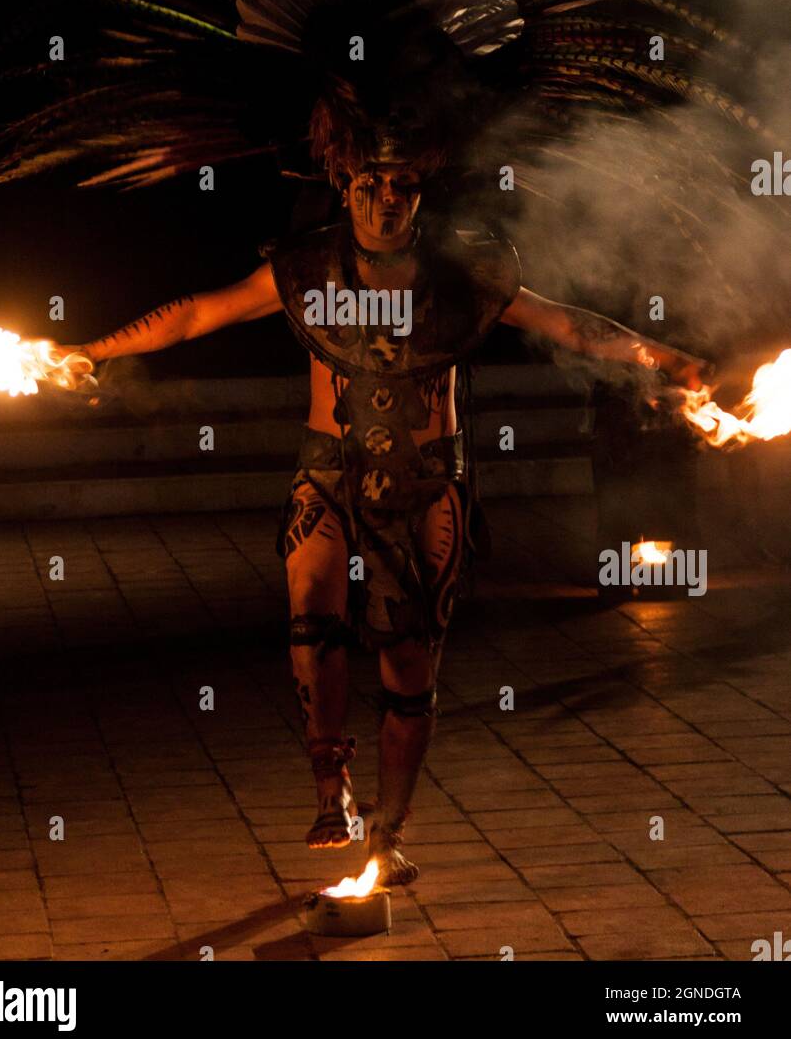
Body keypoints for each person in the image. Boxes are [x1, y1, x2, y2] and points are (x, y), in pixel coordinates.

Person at [50, 124, 708, 886]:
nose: (389, 199)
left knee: (406, 660)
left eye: (405, 184)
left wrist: (662, 357)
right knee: (310, 620)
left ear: (423, 187)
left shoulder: (464, 275)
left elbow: (569, 324)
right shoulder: (304, 268)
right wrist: (92, 351)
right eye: (373, 182)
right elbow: (202, 312)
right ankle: (332, 787)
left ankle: (387, 835)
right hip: (329, 469)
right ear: (343, 180)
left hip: (427, 482)